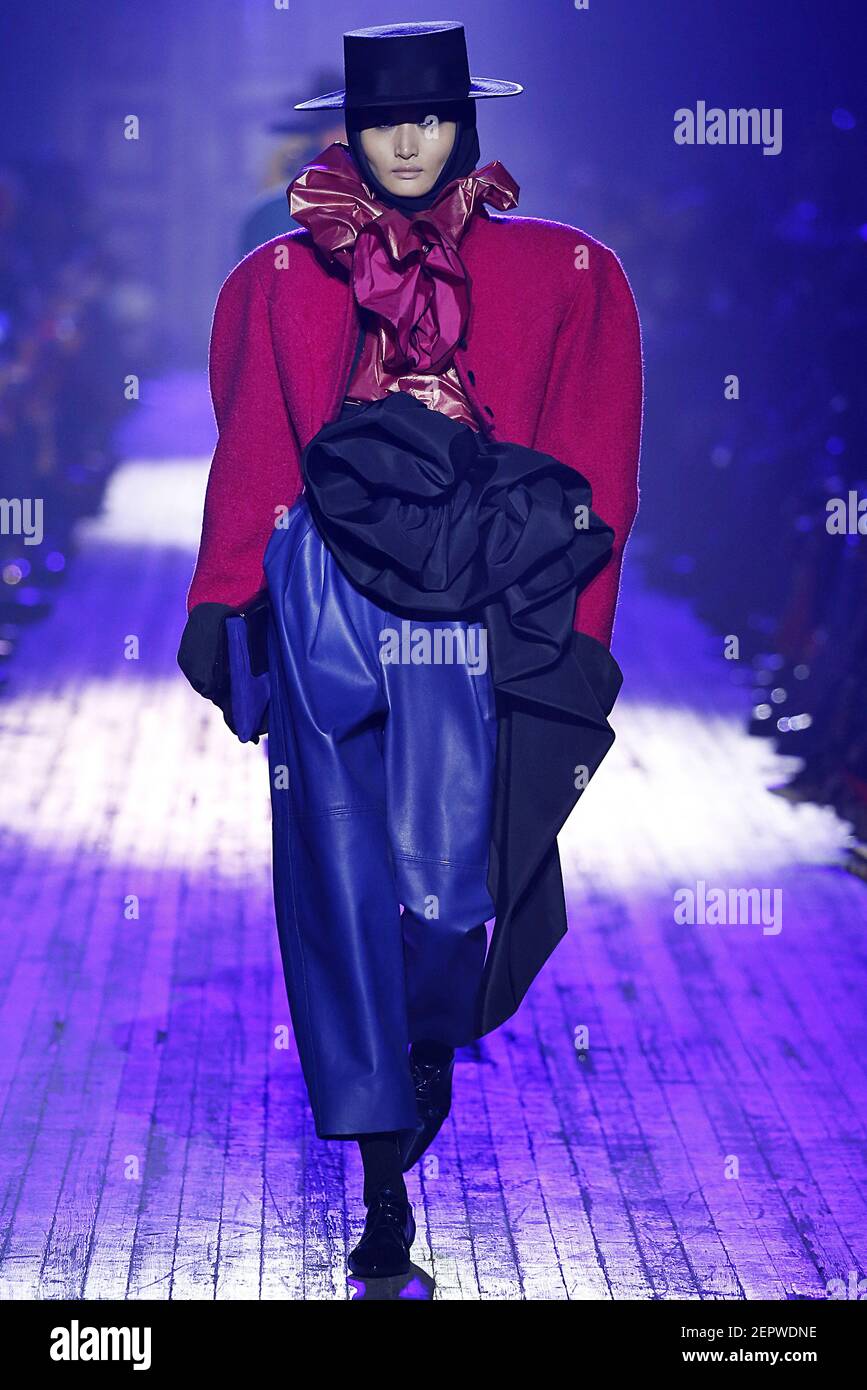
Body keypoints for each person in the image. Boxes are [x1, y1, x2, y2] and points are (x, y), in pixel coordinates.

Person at [178, 21, 643, 1280]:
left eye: (434, 118)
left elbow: (592, 470)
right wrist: (227, 603)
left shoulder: (566, 273)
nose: (411, 140)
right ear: (354, 128)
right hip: (329, 602)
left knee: (446, 904)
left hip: (469, 613)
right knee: (334, 896)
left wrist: (573, 635)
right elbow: (256, 447)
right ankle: (385, 1184)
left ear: (467, 127)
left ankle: (428, 1044)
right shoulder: (279, 280)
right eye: (389, 120)